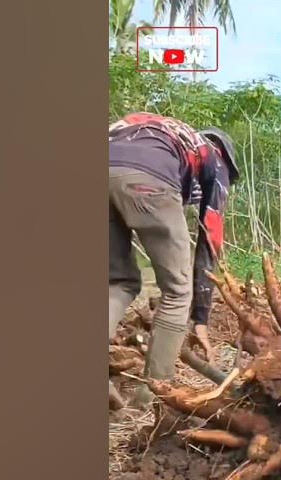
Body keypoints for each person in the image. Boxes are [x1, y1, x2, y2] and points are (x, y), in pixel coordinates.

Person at [108, 113, 240, 407]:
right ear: (225, 156)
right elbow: (210, 239)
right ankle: (153, 397)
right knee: (178, 291)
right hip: (146, 176)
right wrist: (201, 319)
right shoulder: (213, 155)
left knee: (119, 282)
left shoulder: (162, 131)